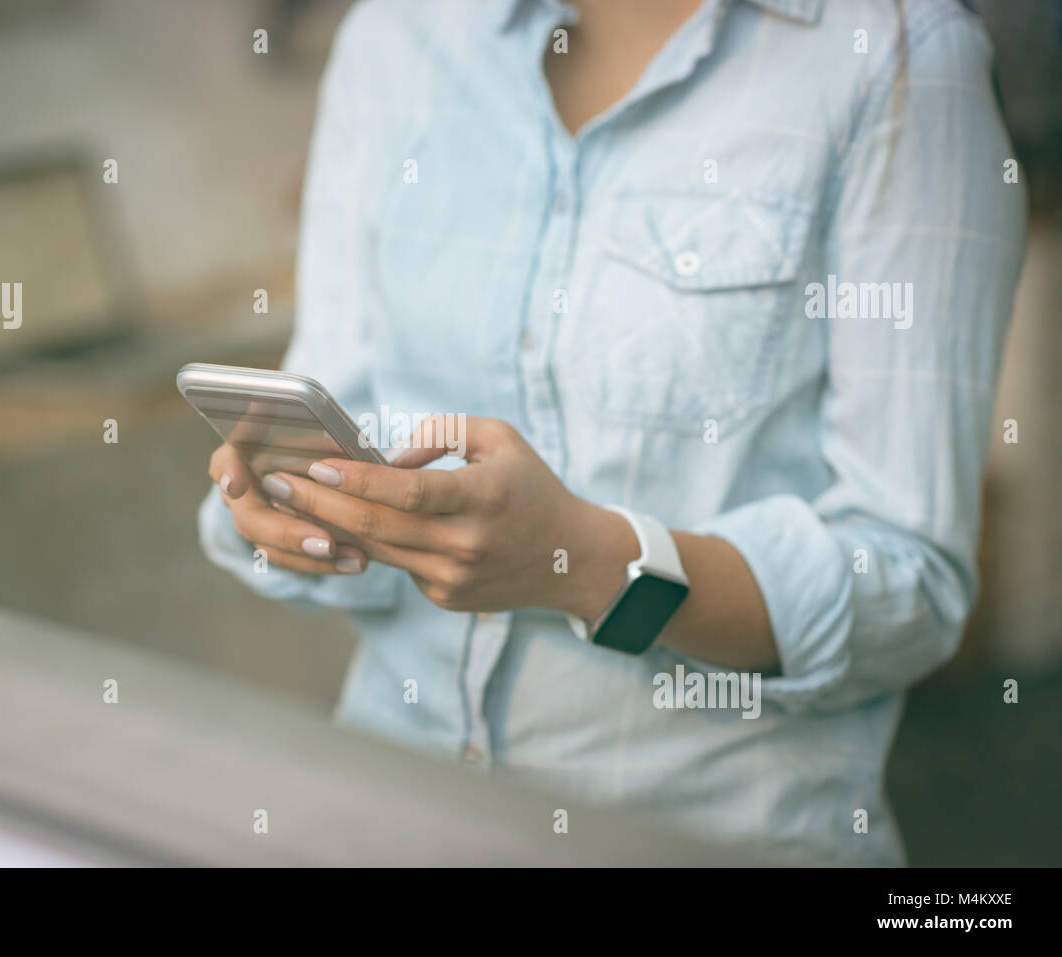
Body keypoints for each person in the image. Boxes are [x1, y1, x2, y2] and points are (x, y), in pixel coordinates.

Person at [199, 0, 1026, 864]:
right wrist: (303, 518)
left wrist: (588, 562)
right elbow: (339, 403)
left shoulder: (896, 58)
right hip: (389, 814)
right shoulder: (398, 34)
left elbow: (909, 582)